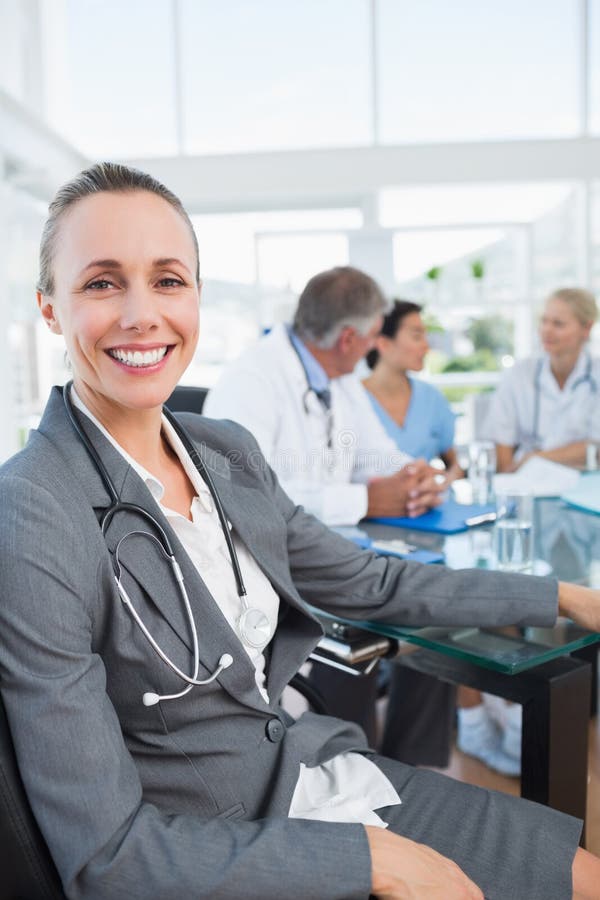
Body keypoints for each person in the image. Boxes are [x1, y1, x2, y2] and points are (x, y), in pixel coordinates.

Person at [2, 163, 600, 900]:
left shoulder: (225, 452)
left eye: (167, 280)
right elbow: (108, 860)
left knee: (583, 879)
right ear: (50, 309)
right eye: (100, 282)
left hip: (317, 769)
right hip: (217, 845)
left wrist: (560, 597)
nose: (140, 314)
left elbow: (372, 580)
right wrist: (372, 861)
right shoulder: (34, 511)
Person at [362, 300, 521, 776]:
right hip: (377, 536)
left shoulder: (430, 398)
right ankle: (480, 714)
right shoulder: (352, 400)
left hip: (434, 528)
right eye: (414, 334)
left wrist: (444, 479)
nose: (425, 344)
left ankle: (489, 711)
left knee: (483, 589)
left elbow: (456, 462)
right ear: (381, 343)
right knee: (443, 605)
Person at [203, 266, 446, 527]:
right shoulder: (250, 380)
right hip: (271, 556)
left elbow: (375, 453)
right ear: (348, 340)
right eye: (374, 335)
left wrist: (415, 479)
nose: (374, 345)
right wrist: (363, 501)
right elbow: (244, 494)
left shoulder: (343, 377)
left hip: (332, 543)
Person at [482, 287, 600, 472]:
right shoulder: (519, 375)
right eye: (544, 321)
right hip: (527, 484)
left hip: (584, 485)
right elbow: (502, 447)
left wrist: (535, 458)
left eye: (558, 324)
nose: (546, 330)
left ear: (586, 328)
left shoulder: (596, 375)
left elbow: (596, 448)